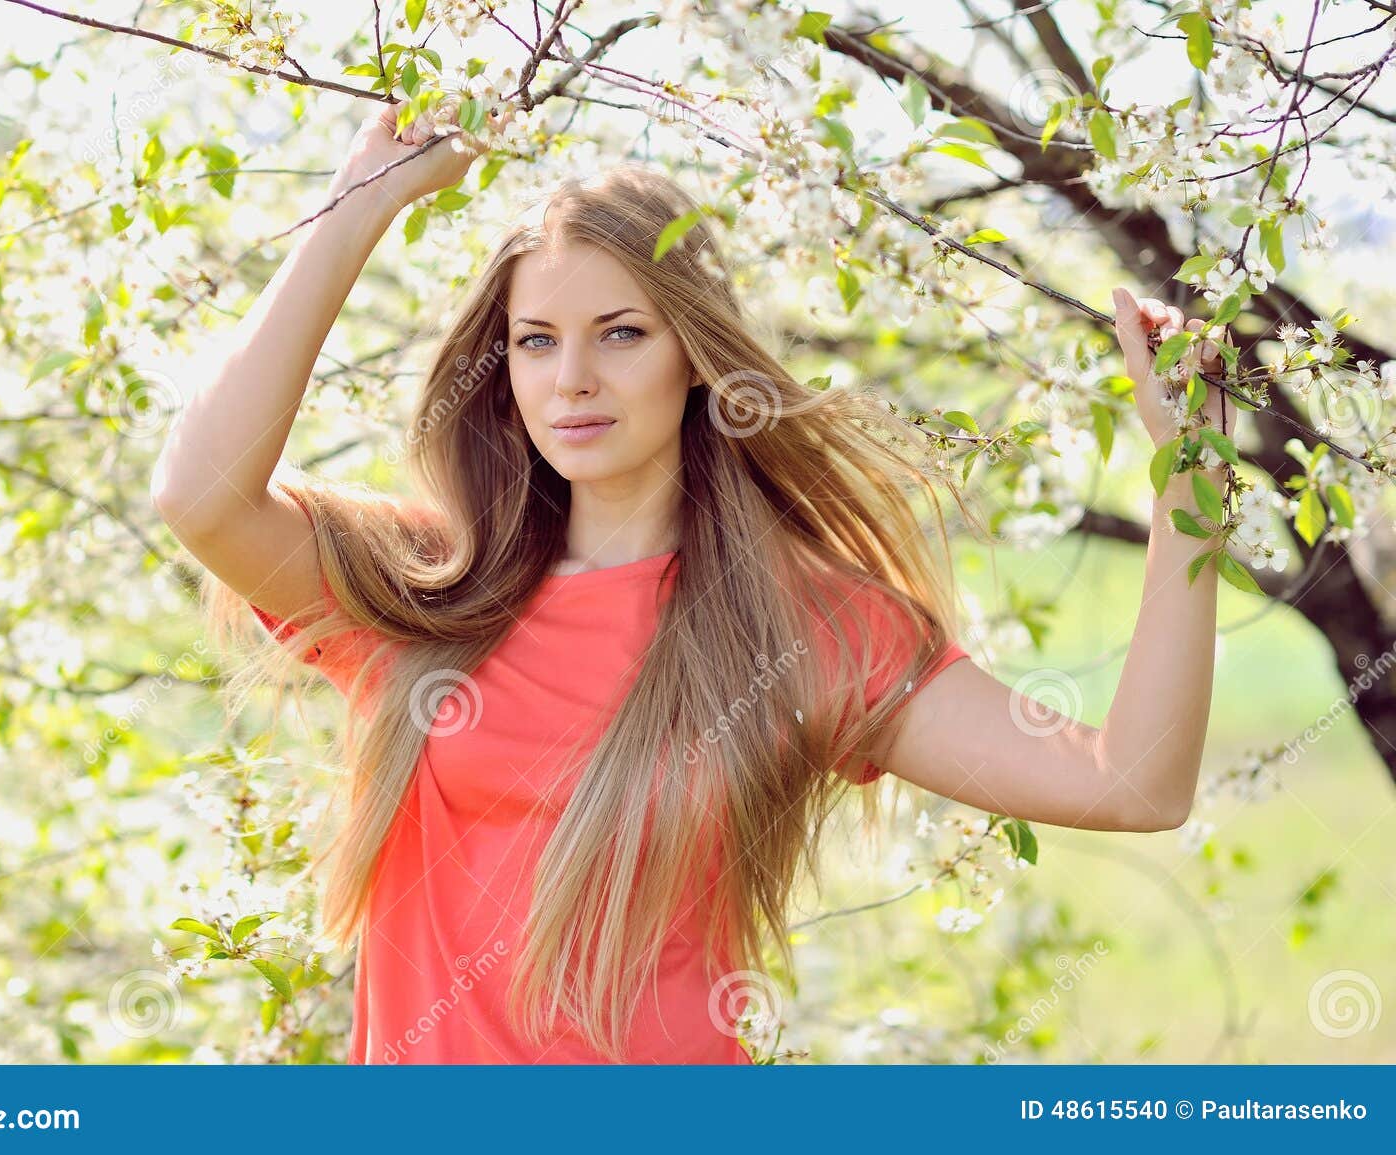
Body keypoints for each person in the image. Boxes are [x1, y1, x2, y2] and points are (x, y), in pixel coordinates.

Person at [151, 96, 1230, 1063]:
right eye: (534, 342)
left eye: (620, 334)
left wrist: (1191, 482)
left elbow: (1129, 783)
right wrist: (358, 205)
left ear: (693, 355)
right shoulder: (421, 584)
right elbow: (199, 494)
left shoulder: (803, 625)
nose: (571, 378)